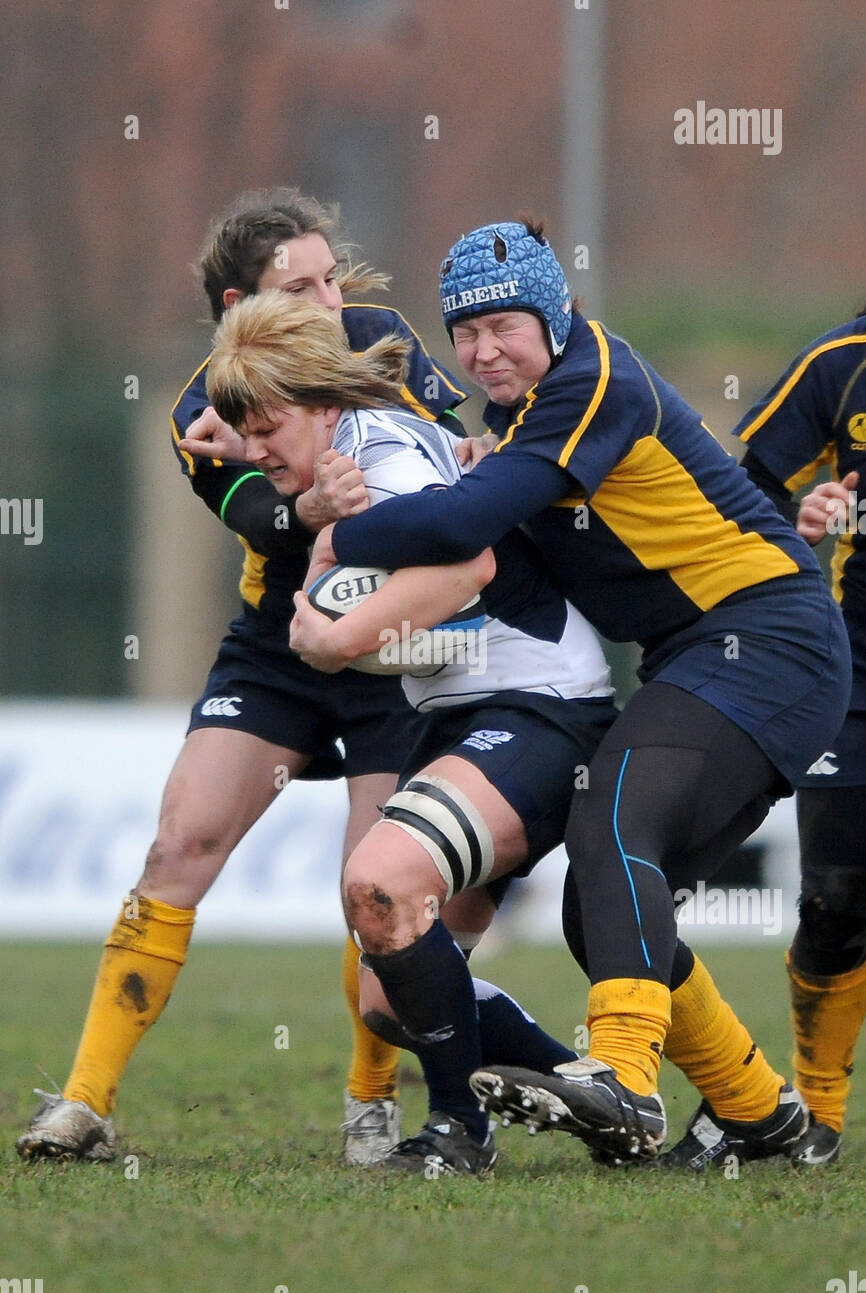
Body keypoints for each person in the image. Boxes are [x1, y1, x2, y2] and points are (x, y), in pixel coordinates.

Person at [320, 219, 852, 1167]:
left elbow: (471, 523)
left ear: (555, 315)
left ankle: (622, 1082)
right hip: (705, 653)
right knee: (599, 900)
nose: (483, 352)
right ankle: (761, 1114)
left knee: (613, 816)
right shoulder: (524, 421)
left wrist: (335, 533)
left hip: (770, 634)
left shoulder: (592, 376)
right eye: (465, 334)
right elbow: (491, 534)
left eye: (503, 327)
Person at [15, 188, 472, 1168]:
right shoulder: (203, 401)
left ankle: (368, 1103)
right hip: (280, 647)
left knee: (377, 893)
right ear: (236, 303)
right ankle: (84, 1102)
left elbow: (455, 459)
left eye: (326, 276)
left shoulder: (380, 338)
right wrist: (308, 504)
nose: (326, 299)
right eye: (296, 285)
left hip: (393, 651)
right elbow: (259, 516)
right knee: (179, 842)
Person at [206, 288, 620, 1173]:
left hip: (540, 706)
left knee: (381, 885)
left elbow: (471, 562)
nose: (253, 448)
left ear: (325, 405)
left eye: (268, 425)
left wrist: (335, 636)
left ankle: (457, 1133)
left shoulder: (381, 457)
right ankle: (595, 1095)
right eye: (243, 429)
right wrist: (325, 565)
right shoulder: (345, 464)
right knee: (388, 998)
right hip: (465, 717)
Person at [733, 312, 866, 1164]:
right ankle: (819, 1113)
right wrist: (803, 520)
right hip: (856, 672)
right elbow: (742, 489)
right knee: (834, 899)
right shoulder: (840, 363)